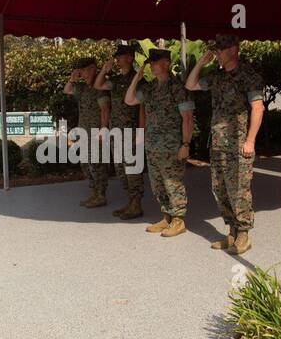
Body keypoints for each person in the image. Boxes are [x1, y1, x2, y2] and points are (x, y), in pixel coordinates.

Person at [187, 34, 264, 255]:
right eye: (216, 50)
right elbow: (191, 84)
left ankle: (243, 235)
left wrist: (250, 141)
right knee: (220, 190)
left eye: (220, 49)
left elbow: (258, 108)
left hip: (239, 144)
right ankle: (231, 232)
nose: (217, 53)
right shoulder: (216, 77)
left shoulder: (248, 76)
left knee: (239, 190)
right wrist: (202, 62)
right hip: (219, 143)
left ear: (233, 49)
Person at [126, 48, 193, 237]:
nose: (152, 66)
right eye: (151, 63)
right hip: (153, 145)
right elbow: (129, 100)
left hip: (172, 145)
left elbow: (187, 117)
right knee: (157, 183)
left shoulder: (178, 87)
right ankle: (167, 217)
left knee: (173, 182)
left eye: (155, 62)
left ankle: (179, 220)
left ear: (166, 64)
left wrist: (186, 144)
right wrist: (136, 79)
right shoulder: (149, 88)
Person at [94, 44, 145, 220]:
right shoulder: (116, 80)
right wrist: (104, 69)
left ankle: (136, 204)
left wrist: (140, 132)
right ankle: (130, 202)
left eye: (120, 56)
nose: (117, 60)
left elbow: (142, 109)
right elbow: (98, 84)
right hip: (116, 132)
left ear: (129, 58)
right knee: (121, 169)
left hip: (131, 132)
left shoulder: (138, 80)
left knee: (132, 168)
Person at [63, 56, 110, 207]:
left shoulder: (100, 88)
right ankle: (94, 193)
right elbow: (67, 90)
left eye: (83, 70)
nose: (81, 73)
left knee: (97, 164)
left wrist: (103, 129)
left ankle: (101, 195)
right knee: (85, 164)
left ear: (92, 69)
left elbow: (105, 110)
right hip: (83, 132)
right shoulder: (82, 88)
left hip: (96, 133)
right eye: (79, 70)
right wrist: (72, 78)